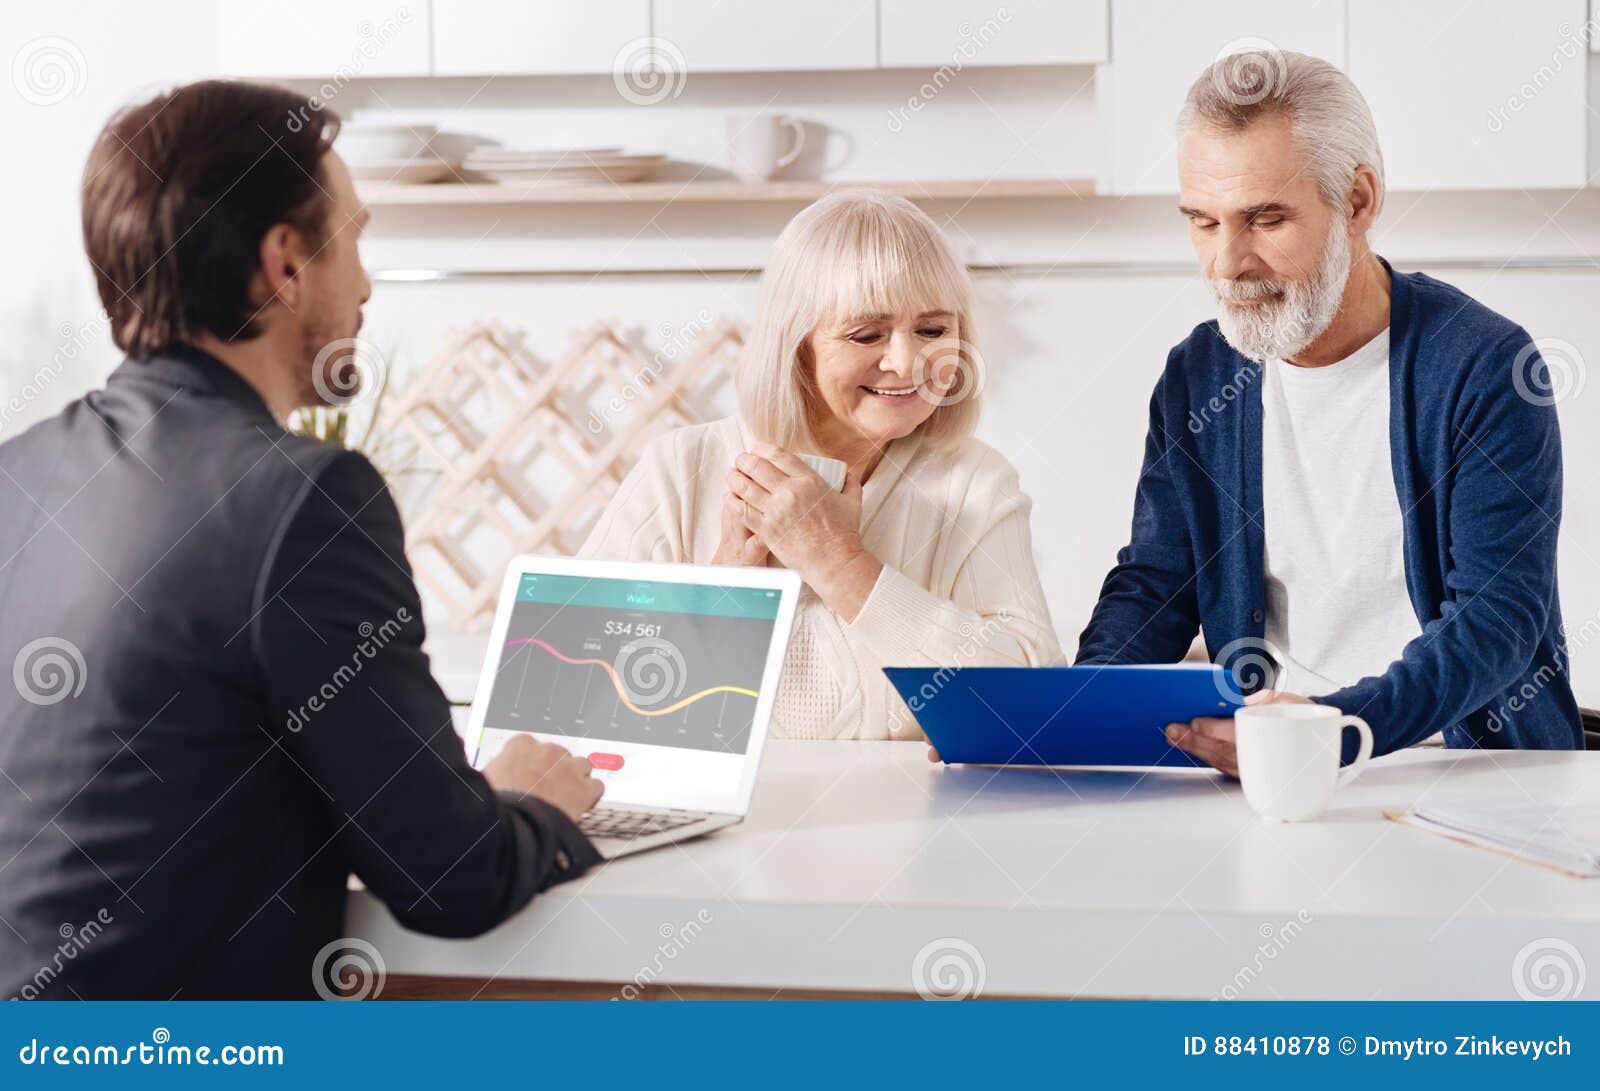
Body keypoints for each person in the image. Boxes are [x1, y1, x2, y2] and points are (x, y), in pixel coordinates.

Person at [0, 80, 604, 1000]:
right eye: (353, 238)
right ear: (284, 263)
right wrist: (533, 803)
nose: (363, 284)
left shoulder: (21, 472)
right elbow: (450, 877)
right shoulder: (305, 499)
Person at [1075, 51, 1581, 773]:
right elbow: (1156, 585)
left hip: (1468, 776)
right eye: (1203, 223)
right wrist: (1071, 713)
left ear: (1359, 201)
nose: (1227, 264)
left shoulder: (1484, 366)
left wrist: (1336, 730)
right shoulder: (1198, 376)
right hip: (1278, 776)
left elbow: (1496, 623)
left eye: (1265, 219)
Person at [582, 190, 1063, 739]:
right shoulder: (681, 468)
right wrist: (728, 587)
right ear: (796, 345)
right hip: (725, 824)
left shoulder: (975, 480)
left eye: (932, 330)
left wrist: (837, 560)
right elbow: (574, 699)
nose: (906, 362)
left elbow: (1034, 709)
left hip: (922, 822)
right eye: (866, 334)